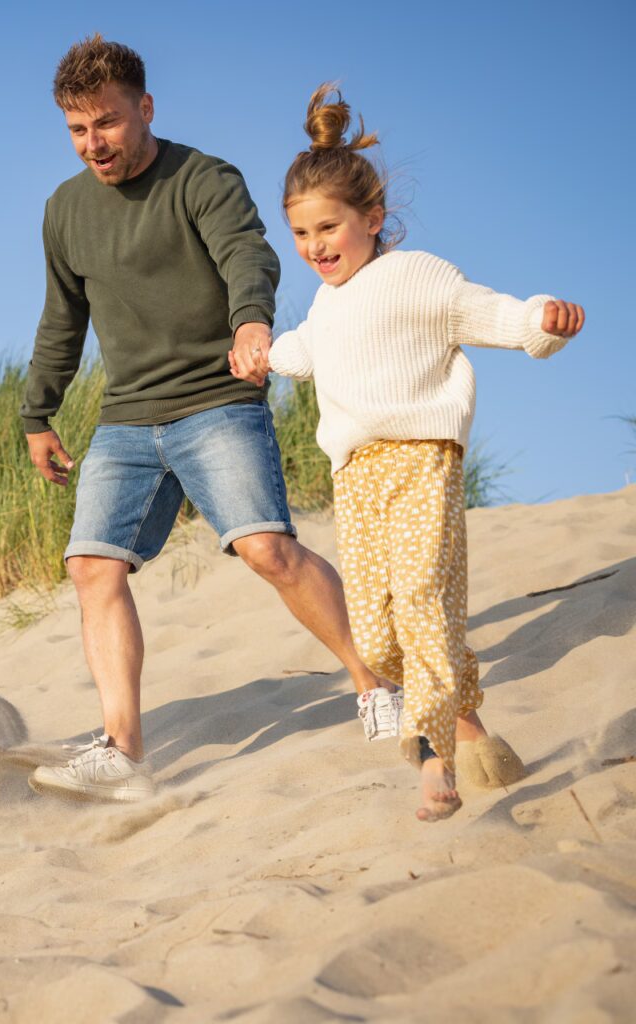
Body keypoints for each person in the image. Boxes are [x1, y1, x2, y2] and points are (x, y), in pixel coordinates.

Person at [21, 36, 398, 804]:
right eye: (77, 129)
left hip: (216, 398)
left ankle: (376, 682)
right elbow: (62, 319)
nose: (94, 143)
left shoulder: (202, 178)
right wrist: (38, 411)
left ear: (145, 109)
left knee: (266, 550)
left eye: (108, 123)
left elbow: (246, 257)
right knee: (92, 566)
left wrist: (251, 324)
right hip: (127, 416)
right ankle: (123, 753)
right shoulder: (64, 211)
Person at [260, 85, 583, 820]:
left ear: (372, 218)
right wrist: (263, 356)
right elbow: (306, 350)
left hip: (420, 461)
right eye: (301, 234)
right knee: (374, 632)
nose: (315, 247)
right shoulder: (323, 301)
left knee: (425, 607)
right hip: (356, 478)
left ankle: (433, 759)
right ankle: (471, 726)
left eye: (328, 227)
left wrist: (544, 319)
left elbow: (491, 312)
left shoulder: (418, 276)